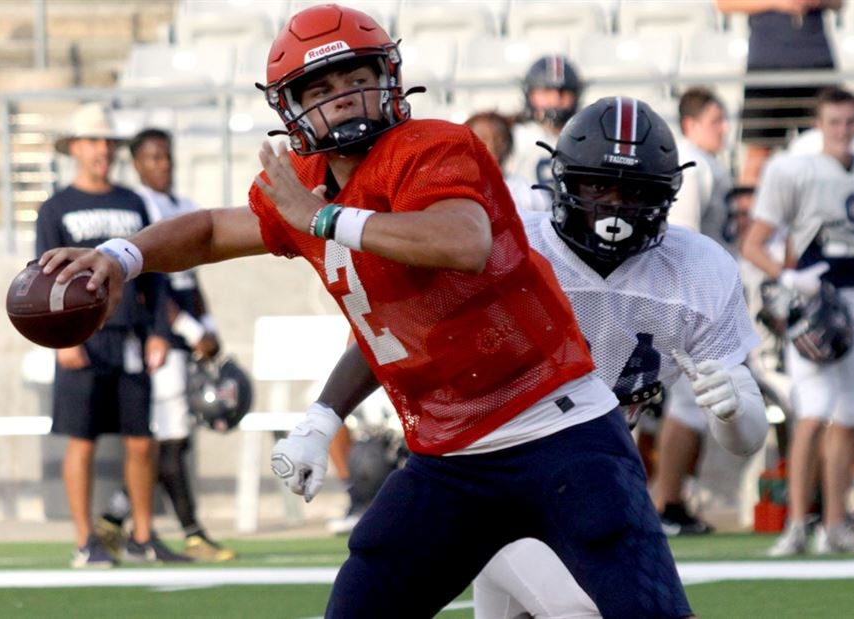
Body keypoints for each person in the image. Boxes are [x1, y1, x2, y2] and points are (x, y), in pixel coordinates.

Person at [40, 5, 693, 617]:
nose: (344, 95)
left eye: (357, 76)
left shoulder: (431, 147)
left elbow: (461, 241)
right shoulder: (307, 182)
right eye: (321, 88)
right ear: (291, 108)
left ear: (391, 77)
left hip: (559, 431)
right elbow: (213, 230)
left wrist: (322, 218)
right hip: (452, 458)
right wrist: (119, 257)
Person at [315, 97, 771, 618]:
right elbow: (393, 333)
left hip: (592, 479)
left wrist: (733, 408)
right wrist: (323, 415)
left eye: (633, 191)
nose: (613, 208)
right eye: (596, 185)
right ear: (562, 181)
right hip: (492, 467)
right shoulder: (506, 240)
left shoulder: (696, 268)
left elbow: (746, 439)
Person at [740, 87, 854, 556]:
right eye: (834, 122)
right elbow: (754, 243)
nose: (843, 131)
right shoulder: (794, 171)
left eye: (851, 122)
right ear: (819, 126)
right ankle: (797, 523)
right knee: (812, 413)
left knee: (852, 413)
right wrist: (790, 277)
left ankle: (836, 524)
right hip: (816, 303)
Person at [35, 104, 185, 567]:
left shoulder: (134, 203)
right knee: (81, 440)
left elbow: (156, 271)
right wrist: (64, 340)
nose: (102, 150)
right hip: (82, 337)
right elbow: (41, 279)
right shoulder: (56, 207)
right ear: (75, 148)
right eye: (93, 141)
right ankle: (86, 541)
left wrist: (159, 330)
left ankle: (143, 534)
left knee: (142, 439)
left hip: (129, 335)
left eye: (107, 142)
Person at [94, 127, 236, 562]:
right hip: (162, 336)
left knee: (172, 438)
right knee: (168, 436)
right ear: (135, 163)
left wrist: (207, 325)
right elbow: (154, 283)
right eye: (153, 158)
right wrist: (191, 331)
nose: (163, 165)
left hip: (189, 329)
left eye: (166, 156)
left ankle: (117, 518)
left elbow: (192, 279)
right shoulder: (142, 206)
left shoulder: (185, 206)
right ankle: (186, 529)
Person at [656, 86, 739, 537]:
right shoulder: (690, 164)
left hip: (710, 296)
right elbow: (683, 241)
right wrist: (697, 303)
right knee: (689, 404)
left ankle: (675, 499)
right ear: (690, 123)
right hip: (694, 300)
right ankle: (666, 500)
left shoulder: (709, 163)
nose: (723, 128)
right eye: (714, 119)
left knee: (699, 404)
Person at [714, 0, 842, 189]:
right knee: (758, 155)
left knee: (825, 150)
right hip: (767, 70)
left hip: (815, 67)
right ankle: (748, 216)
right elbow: (724, 4)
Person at [507, 55, 582, 193]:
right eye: (546, 92)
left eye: (564, 93)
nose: (555, 99)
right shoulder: (515, 138)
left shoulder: (585, 138)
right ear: (530, 94)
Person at [465, 111, 549, 212]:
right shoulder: (455, 192)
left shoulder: (530, 193)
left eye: (500, 139)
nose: (492, 146)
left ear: (509, 145)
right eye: (483, 139)